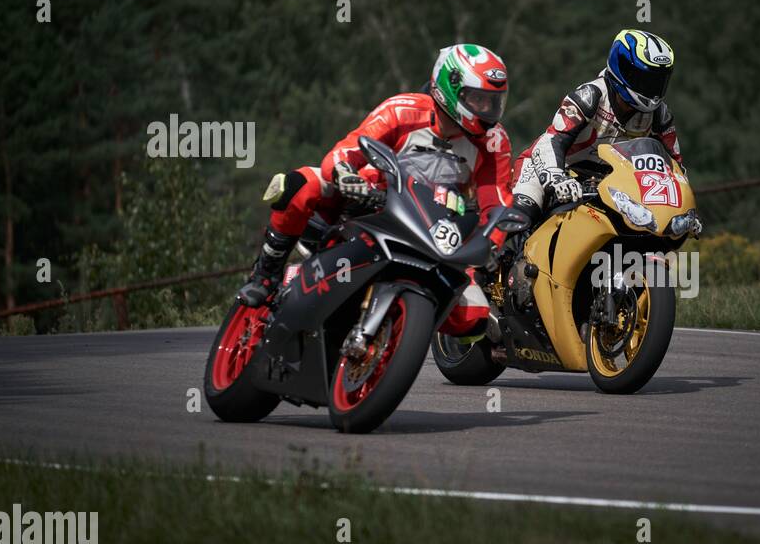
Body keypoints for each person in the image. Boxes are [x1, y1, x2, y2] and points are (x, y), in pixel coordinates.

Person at [237, 43, 512, 338]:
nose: (488, 110)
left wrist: (489, 246)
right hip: (370, 201)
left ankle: (396, 329)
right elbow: (346, 150)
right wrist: (346, 176)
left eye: (494, 101)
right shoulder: (403, 110)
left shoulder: (494, 143)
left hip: (433, 230)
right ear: (450, 87)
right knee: (301, 184)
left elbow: (496, 206)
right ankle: (267, 272)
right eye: (479, 99)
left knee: (474, 316)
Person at [512, 29, 698, 235]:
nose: (651, 89)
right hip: (553, 169)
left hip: (606, 186)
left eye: (657, 81)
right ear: (621, 69)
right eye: (643, 78)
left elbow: (675, 167)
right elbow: (553, 139)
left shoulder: (659, 114)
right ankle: (485, 261)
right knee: (521, 215)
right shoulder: (591, 95)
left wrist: (685, 209)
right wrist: (555, 178)